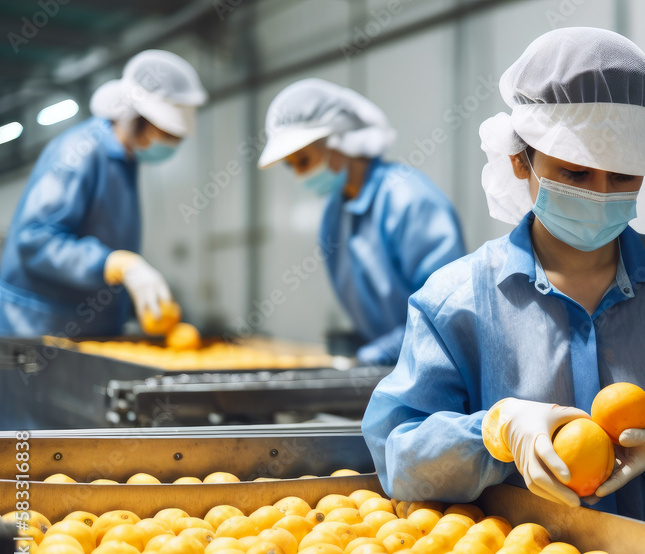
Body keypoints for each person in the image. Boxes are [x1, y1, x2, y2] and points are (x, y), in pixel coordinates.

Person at [362, 27, 645, 526]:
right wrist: (496, 432)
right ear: (520, 161)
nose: (601, 192)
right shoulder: (456, 301)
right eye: (575, 173)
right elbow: (399, 457)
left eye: (622, 175)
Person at [257, 79, 466, 366]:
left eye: (303, 160)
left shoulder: (409, 199)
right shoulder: (335, 213)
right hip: (391, 370)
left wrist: (386, 350)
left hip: (438, 367)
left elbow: (447, 309)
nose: (299, 175)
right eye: (290, 165)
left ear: (339, 141)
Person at [0, 50, 206, 338]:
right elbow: (34, 238)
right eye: (166, 134)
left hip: (87, 328)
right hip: (38, 326)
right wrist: (113, 263)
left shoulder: (125, 162)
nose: (170, 145)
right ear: (137, 119)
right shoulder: (78, 152)